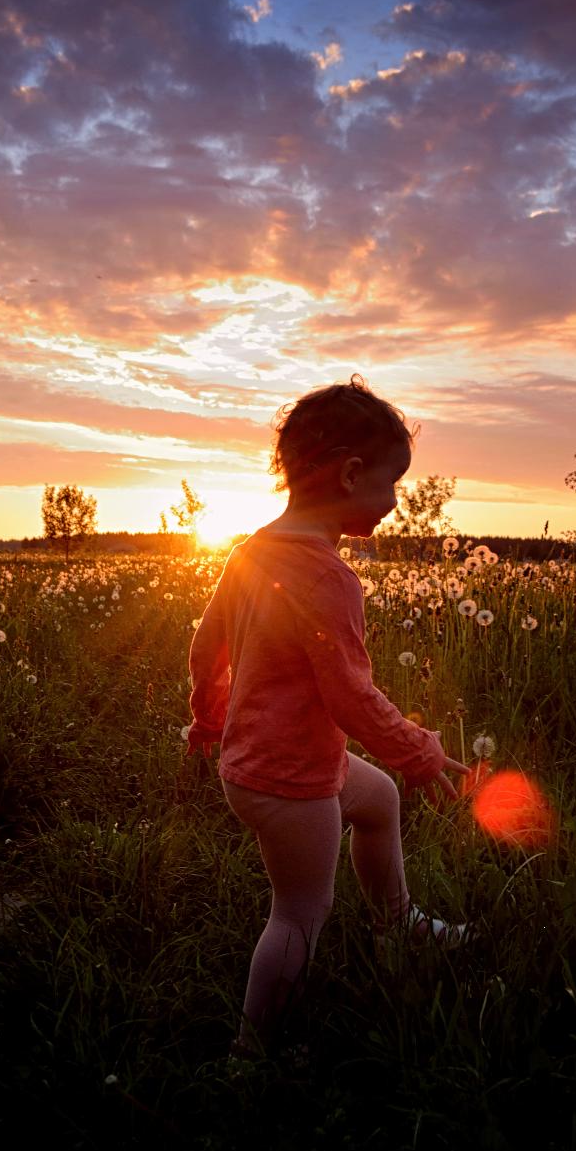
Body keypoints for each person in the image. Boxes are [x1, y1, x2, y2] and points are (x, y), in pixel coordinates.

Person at [185, 373, 474, 1064]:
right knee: (299, 913)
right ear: (349, 475)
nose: (396, 502)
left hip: (262, 762)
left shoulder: (249, 550)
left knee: (378, 800)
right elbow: (351, 696)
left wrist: (210, 718)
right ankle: (252, 1051)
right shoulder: (328, 578)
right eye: (391, 483)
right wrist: (421, 750)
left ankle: (397, 921)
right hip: (292, 778)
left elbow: (206, 646)